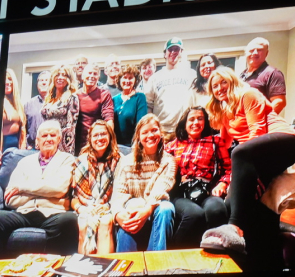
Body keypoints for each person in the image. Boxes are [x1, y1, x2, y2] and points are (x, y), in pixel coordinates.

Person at [201, 67, 295, 268]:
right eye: (215, 86)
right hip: (257, 154)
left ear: (232, 81)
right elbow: (224, 143)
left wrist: (246, 169)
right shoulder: (225, 109)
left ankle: (234, 228)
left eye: (223, 82)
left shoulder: (248, 94)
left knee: (239, 153)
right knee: (235, 200)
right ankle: (252, 261)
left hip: (284, 141)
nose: (219, 88)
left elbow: (257, 131)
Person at [0, 120, 78, 254]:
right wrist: (46, 192)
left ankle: (53, 265)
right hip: (24, 213)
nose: (49, 139)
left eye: (53, 135)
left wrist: (22, 188)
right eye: (44, 136)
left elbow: (59, 189)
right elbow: (10, 199)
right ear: (37, 141)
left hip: (54, 214)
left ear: (59, 139)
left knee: (70, 220)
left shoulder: (67, 160)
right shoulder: (24, 162)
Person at [165, 107, 231, 248]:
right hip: (182, 193)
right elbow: (155, 156)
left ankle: (215, 253)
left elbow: (229, 169)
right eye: (191, 119)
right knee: (194, 214)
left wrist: (222, 184)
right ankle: (172, 252)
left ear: (205, 122)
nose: (196, 122)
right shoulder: (175, 144)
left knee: (217, 209)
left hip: (207, 191)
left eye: (200, 119)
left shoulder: (215, 141)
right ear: (184, 124)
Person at [111, 115, 176, 252]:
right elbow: (118, 194)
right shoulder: (126, 161)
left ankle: (156, 260)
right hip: (134, 206)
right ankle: (126, 262)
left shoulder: (169, 161)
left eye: (154, 130)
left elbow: (160, 190)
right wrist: (118, 214)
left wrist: (146, 210)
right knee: (134, 205)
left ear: (160, 133)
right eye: (145, 132)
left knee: (166, 208)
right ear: (139, 137)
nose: (150, 135)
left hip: (156, 205)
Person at [72, 120, 120, 255]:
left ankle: (105, 267)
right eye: (96, 135)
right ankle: (85, 267)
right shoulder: (81, 162)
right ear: (90, 139)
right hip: (87, 208)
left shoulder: (119, 160)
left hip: (109, 207)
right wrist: (83, 208)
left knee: (105, 222)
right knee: (84, 223)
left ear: (110, 136)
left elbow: (121, 193)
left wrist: (106, 207)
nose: (100, 138)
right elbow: (74, 199)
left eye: (103, 134)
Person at [145, 37, 197, 135]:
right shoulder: (154, 78)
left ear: (181, 52)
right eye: (170, 49)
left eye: (176, 49)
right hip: (162, 130)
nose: (173, 52)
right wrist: (152, 127)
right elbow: (148, 105)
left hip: (185, 129)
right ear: (165, 53)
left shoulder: (191, 74)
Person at [75, 57, 115, 153]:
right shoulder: (75, 95)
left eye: (95, 74)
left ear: (98, 78)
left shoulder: (104, 94)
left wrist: (109, 142)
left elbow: (109, 119)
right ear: (83, 76)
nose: (92, 76)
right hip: (78, 145)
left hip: (97, 143)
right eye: (89, 73)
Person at [40, 64, 80, 154]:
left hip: (62, 145)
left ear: (69, 79)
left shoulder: (72, 98)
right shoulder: (49, 99)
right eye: (57, 75)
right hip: (46, 141)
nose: (60, 77)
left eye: (64, 75)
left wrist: (65, 149)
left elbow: (71, 128)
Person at [240, 37, 287, 114]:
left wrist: (260, 119)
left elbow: (279, 102)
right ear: (246, 53)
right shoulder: (241, 76)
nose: (255, 53)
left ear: (266, 53)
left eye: (259, 50)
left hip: (257, 120)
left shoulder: (273, 73)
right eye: (251, 50)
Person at [113, 63, 148, 145]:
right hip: (115, 145)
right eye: (125, 78)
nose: (127, 81)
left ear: (135, 80)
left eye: (130, 78)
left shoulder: (140, 97)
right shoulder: (114, 99)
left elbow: (141, 124)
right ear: (119, 80)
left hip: (132, 145)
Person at [0, 69, 27, 152]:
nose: (7, 82)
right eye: (4, 79)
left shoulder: (18, 104)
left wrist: (22, 147)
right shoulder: (0, 102)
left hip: (16, 147)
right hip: (4, 147)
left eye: (10, 79)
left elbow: (23, 127)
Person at [23, 70, 51, 149]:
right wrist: (26, 145)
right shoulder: (28, 105)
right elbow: (23, 127)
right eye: (41, 80)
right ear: (37, 84)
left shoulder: (57, 104)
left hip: (51, 146)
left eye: (46, 80)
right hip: (31, 148)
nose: (44, 83)